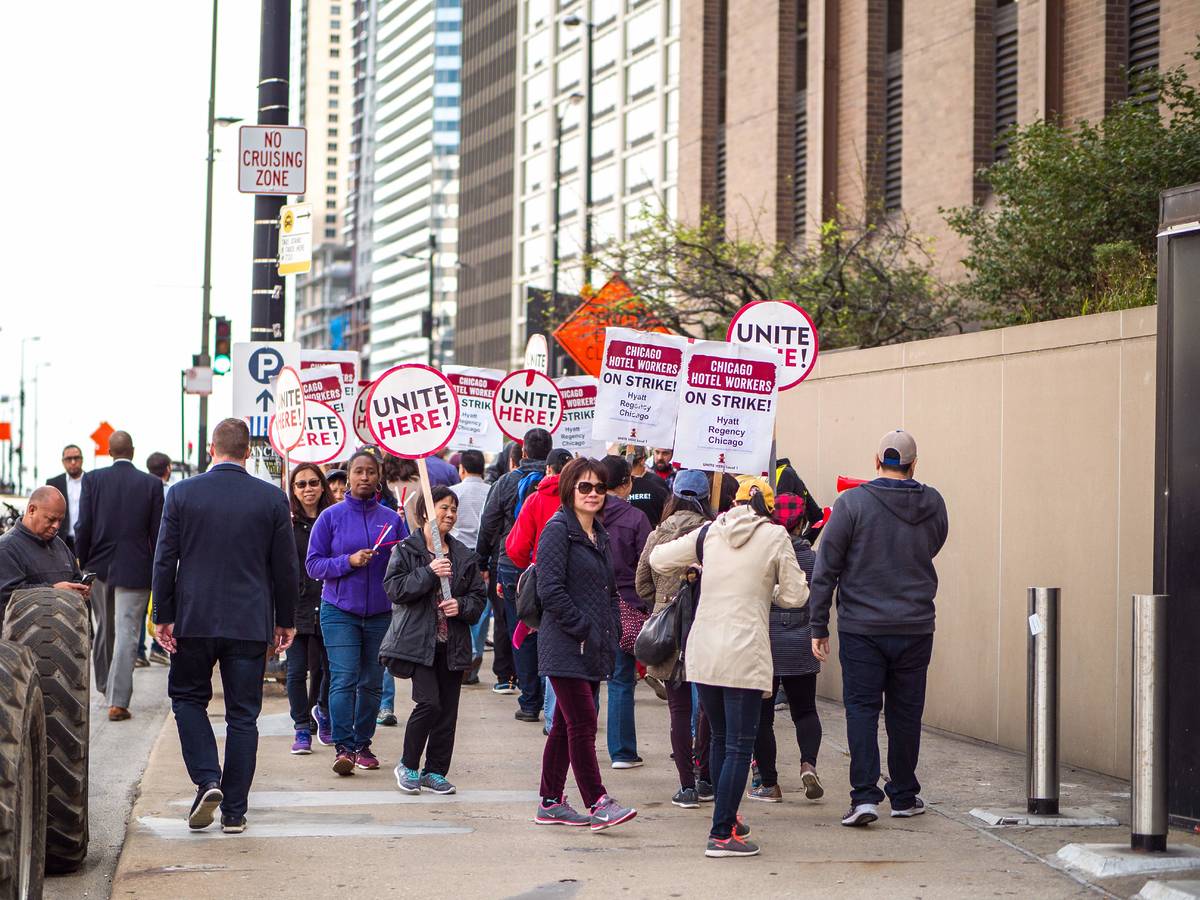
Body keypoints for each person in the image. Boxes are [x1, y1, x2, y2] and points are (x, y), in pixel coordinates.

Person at [151, 418, 298, 834]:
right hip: (250, 622)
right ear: (248, 452)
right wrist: (285, 621)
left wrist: (163, 614)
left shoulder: (181, 494)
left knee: (187, 699)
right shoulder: (271, 499)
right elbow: (285, 568)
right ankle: (234, 811)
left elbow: (165, 559)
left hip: (194, 618)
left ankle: (207, 780)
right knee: (243, 716)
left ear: (210, 450)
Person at [651, 477, 809, 858]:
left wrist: (700, 566)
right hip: (745, 651)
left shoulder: (709, 534)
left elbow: (657, 559)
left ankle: (728, 816)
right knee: (739, 745)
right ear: (766, 508)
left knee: (721, 739)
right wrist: (765, 590)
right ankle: (722, 833)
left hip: (704, 649)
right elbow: (796, 595)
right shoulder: (774, 537)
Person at [809, 429, 948, 827]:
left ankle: (865, 797)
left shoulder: (852, 504)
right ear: (913, 464)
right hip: (916, 625)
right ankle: (904, 795)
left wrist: (819, 624)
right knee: (906, 714)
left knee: (862, 710)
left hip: (862, 627)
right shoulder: (933, 502)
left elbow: (826, 569)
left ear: (876, 461)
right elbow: (934, 544)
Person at [532, 458, 637, 832]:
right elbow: (550, 591)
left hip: (592, 644)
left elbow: (609, 590)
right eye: (585, 487)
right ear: (569, 490)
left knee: (564, 725)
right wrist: (583, 629)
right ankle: (597, 801)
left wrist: (607, 629)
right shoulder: (558, 530)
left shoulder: (600, 533)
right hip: (564, 644)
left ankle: (550, 801)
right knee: (582, 724)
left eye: (599, 487)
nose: (593, 494)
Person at [306, 448, 407, 775]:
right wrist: (347, 562)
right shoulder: (330, 517)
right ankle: (344, 747)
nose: (365, 477)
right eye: (359, 471)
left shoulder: (391, 520)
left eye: (371, 472)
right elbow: (312, 564)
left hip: (380, 614)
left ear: (379, 477)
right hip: (339, 611)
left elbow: (405, 565)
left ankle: (364, 744)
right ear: (347, 476)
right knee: (344, 678)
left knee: (372, 683)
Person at [381, 486, 486, 795]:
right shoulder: (407, 550)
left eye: (454, 509)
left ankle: (436, 771)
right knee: (428, 702)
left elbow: (478, 598)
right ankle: (408, 765)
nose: (450, 515)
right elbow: (395, 589)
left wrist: (461, 607)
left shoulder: (464, 555)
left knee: (447, 711)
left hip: (451, 643)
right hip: (418, 642)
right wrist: (429, 572)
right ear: (426, 511)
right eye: (444, 508)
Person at [635, 468, 714, 808]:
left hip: (669, 631)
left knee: (679, 711)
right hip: (708, 624)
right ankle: (707, 778)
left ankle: (687, 787)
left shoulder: (659, 534)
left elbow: (642, 583)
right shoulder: (713, 534)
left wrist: (663, 602)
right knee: (709, 708)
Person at [74, 431, 165, 721]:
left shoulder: (93, 479)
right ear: (133, 451)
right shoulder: (151, 484)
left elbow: (83, 524)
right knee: (126, 633)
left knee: (104, 629)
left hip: (99, 566)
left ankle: (104, 686)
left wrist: (83, 561)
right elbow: (157, 533)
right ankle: (117, 700)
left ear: (111, 452)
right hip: (136, 568)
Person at [748, 492, 824, 804]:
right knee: (805, 710)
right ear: (804, 522)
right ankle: (808, 763)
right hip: (802, 643)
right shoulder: (813, 559)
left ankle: (769, 783)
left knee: (761, 717)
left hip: (765, 644)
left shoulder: (761, 554)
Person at [477, 427, 552, 721]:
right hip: (550, 564)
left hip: (511, 567)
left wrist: (482, 561)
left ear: (522, 453)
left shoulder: (506, 483)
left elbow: (489, 523)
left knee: (520, 630)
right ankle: (549, 700)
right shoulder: (559, 482)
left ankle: (530, 701)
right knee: (550, 630)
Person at [504, 447, 573, 728]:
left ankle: (542, 711)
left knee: (543, 644)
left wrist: (528, 565)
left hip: (543, 579)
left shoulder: (535, 499)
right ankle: (566, 714)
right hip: (578, 581)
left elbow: (516, 547)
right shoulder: (581, 500)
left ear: (548, 469)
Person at [598, 455, 651, 769]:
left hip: (589, 605)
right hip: (627, 606)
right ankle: (622, 752)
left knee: (586, 679)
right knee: (620, 679)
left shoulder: (582, 515)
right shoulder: (635, 518)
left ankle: (578, 743)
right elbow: (648, 565)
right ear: (626, 482)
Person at [287, 464, 333, 755]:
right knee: (295, 671)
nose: (308, 489)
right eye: (301, 484)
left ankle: (323, 711)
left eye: (313, 482)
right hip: (296, 607)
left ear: (322, 485)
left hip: (329, 603)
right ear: (293, 490)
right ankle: (301, 726)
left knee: (326, 669)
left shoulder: (332, 519)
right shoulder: (285, 524)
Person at [0, 486, 89, 615]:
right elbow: (8, 598)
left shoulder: (60, 545)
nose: (56, 526)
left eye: (60, 520)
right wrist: (53, 591)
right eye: (51, 519)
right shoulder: (6, 548)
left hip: (66, 631)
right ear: (31, 510)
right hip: (25, 634)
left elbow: (75, 577)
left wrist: (80, 589)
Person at [451, 449, 493, 685]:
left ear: (462, 469)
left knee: (459, 605)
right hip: (481, 555)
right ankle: (475, 653)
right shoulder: (491, 491)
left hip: (457, 554)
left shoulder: (453, 493)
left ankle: (463, 656)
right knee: (481, 607)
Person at [141, 451, 173, 666]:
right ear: (168, 469)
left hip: (142, 555)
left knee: (140, 606)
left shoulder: (140, 492)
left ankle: (137, 652)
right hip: (163, 556)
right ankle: (158, 647)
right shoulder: (172, 492)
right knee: (161, 599)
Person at [774, 458, 827, 542]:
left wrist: (802, 543)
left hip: (781, 547)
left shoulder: (782, 474)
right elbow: (818, 516)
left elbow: (818, 517)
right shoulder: (785, 472)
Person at [46, 443, 85, 554]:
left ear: (82, 460)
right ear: (63, 461)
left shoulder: (92, 481)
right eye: (69, 459)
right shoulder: (53, 483)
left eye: (76, 458)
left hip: (86, 540)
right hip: (60, 539)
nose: (73, 462)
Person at [626, 447, 669, 527]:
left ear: (642, 461)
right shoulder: (620, 483)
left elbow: (667, 511)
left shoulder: (656, 482)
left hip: (651, 535)